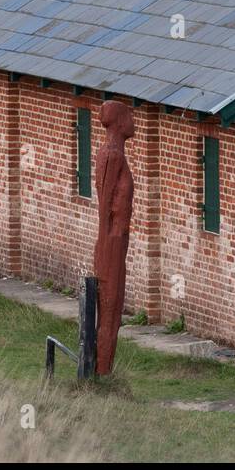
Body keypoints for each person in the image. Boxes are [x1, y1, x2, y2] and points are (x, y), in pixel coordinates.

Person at [92, 100, 134, 375]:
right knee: (109, 310)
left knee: (114, 310)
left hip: (118, 238)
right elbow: (105, 202)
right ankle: (102, 371)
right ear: (120, 122)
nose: (135, 122)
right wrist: (109, 237)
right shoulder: (112, 155)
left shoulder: (115, 153)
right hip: (112, 240)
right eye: (130, 117)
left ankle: (103, 370)